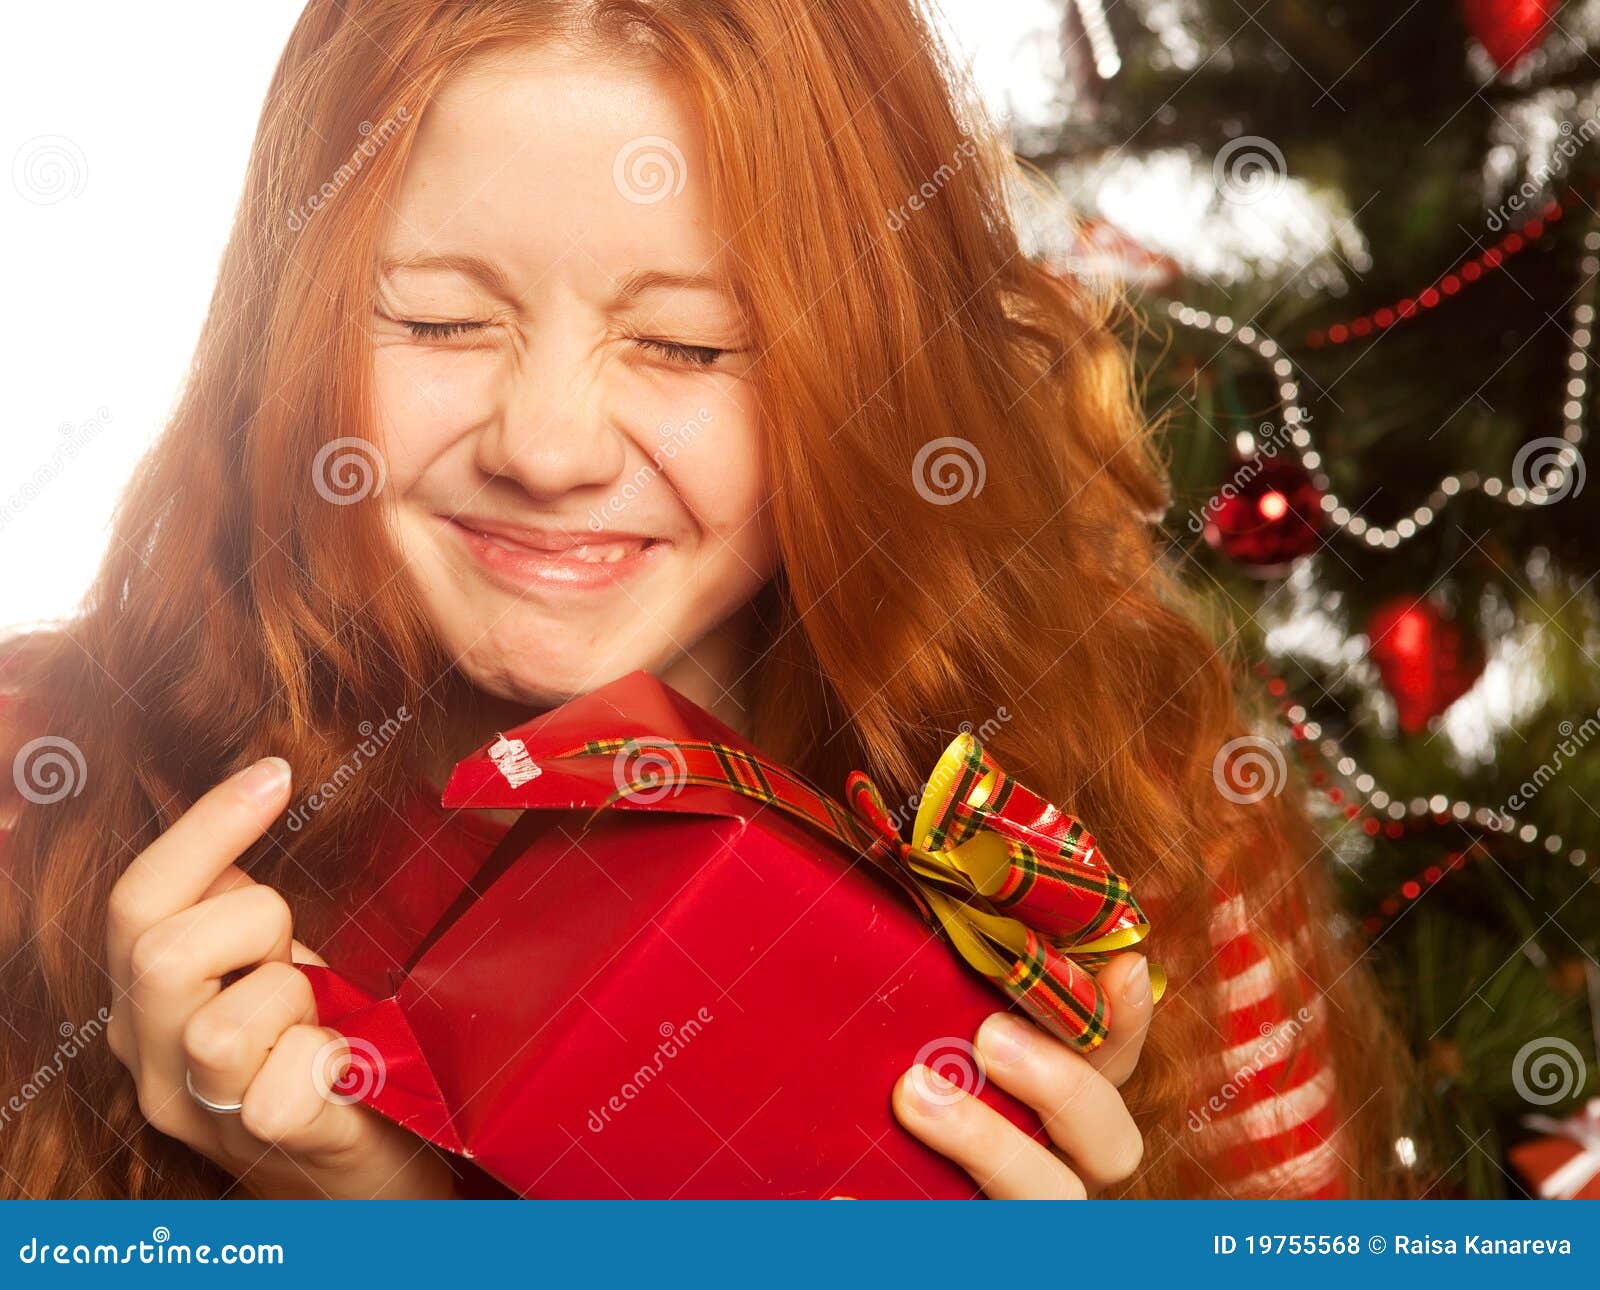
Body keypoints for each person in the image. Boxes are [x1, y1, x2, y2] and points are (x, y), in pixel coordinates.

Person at [0, 0, 1408, 1199]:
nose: (545, 447)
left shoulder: (1148, 830)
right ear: (289, 322)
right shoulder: (27, 791)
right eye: (435, 318)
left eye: (689, 342)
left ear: (866, 374)